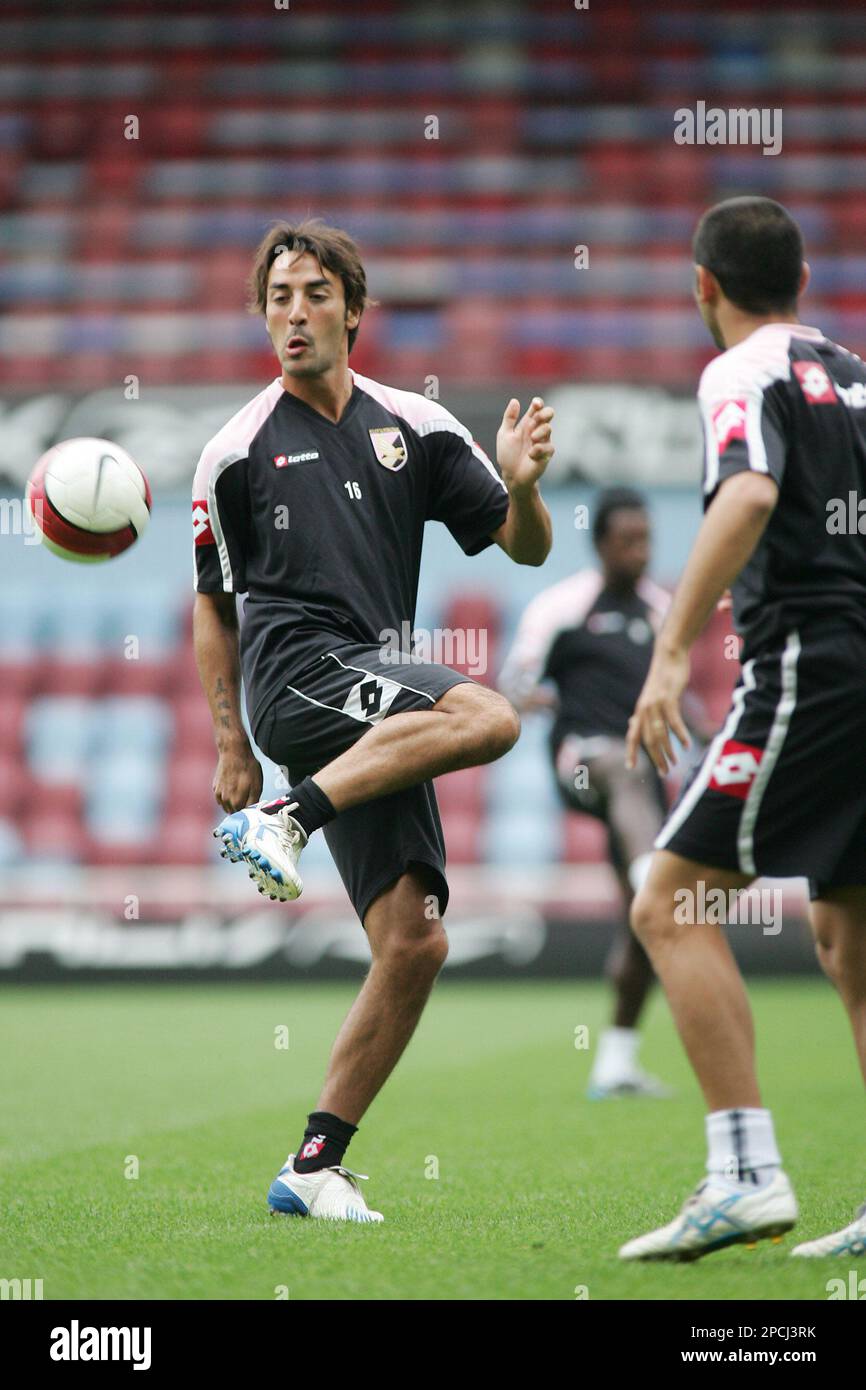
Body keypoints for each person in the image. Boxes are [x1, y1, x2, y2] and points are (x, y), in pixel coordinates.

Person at [191, 219, 554, 1223]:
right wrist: (230, 743)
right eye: (276, 298)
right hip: (298, 676)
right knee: (486, 714)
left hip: (372, 686)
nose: (293, 313)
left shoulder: (418, 428)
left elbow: (522, 549)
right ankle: (285, 816)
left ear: (354, 307)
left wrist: (522, 491)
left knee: (415, 942)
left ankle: (311, 1166)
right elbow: (212, 607)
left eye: (313, 294)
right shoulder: (233, 452)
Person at [620, 195, 866, 1261]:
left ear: (701, 287)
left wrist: (671, 649)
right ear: (802, 280)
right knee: (848, 938)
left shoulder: (738, 370)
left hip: (811, 661)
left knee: (666, 900)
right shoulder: (855, 374)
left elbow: (748, 493)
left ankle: (743, 1173)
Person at [500, 487, 679, 1099]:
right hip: (581, 760)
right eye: (628, 541)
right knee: (619, 768)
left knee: (646, 920)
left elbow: (677, 695)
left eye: (647, 540)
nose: (640, 552)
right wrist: (540, 697)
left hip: (641, 775)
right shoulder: (563, 607)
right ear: (601, 544)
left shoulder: (660, 612)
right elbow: (513, 682)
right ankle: (653, 865)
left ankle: (615, 1064)